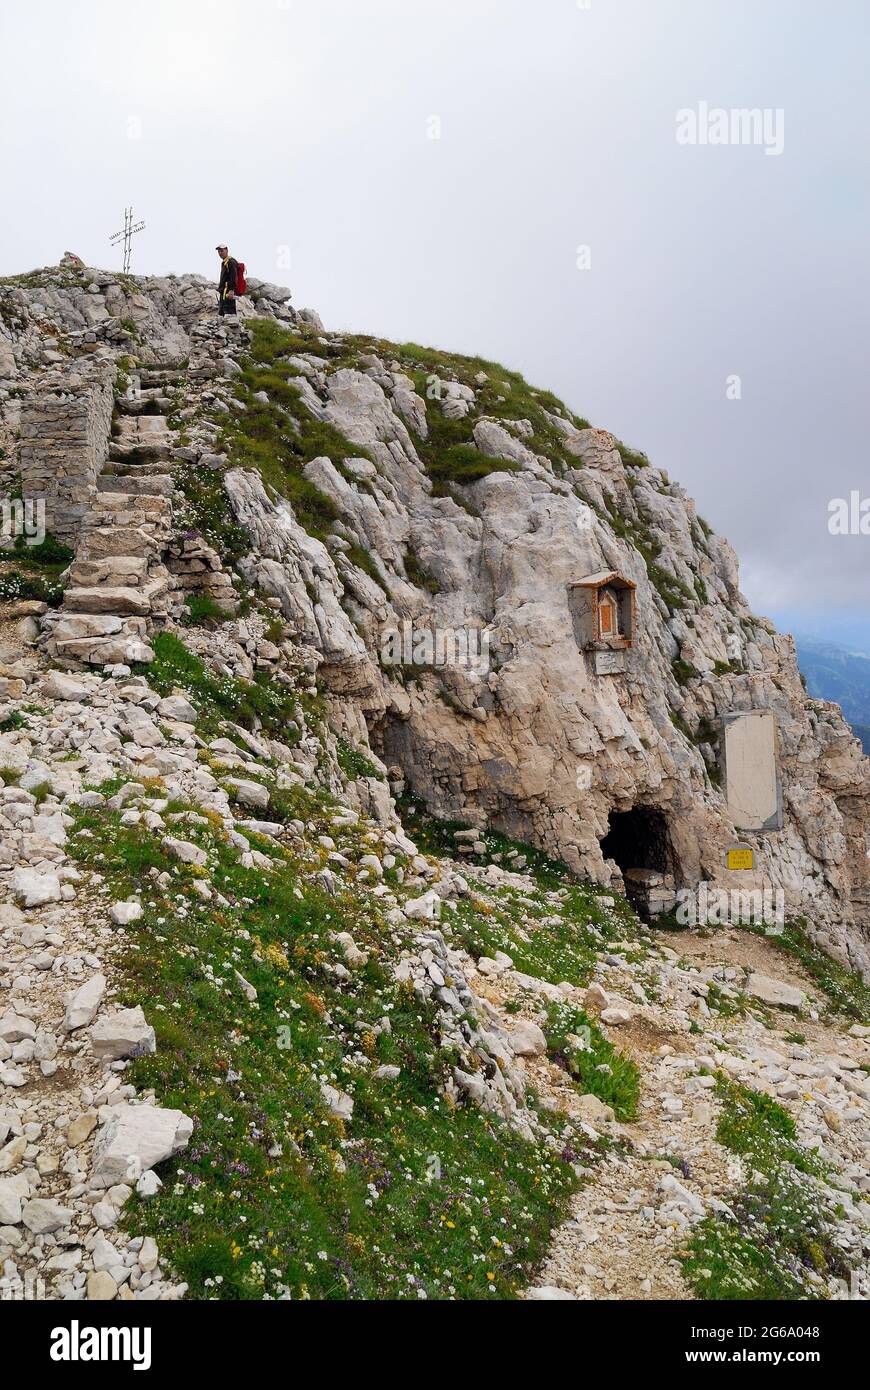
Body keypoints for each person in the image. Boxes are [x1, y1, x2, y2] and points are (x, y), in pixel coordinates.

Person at [216, 244, 239, 316]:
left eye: (222, 250)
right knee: (222, 314)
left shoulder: (231, 262)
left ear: (227, 250)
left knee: (230, 313)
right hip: (223, 292)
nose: (220, 253)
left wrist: (231, 290)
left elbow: (234, 277)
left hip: (228, 292)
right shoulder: (224, 262)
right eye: (219, 251)